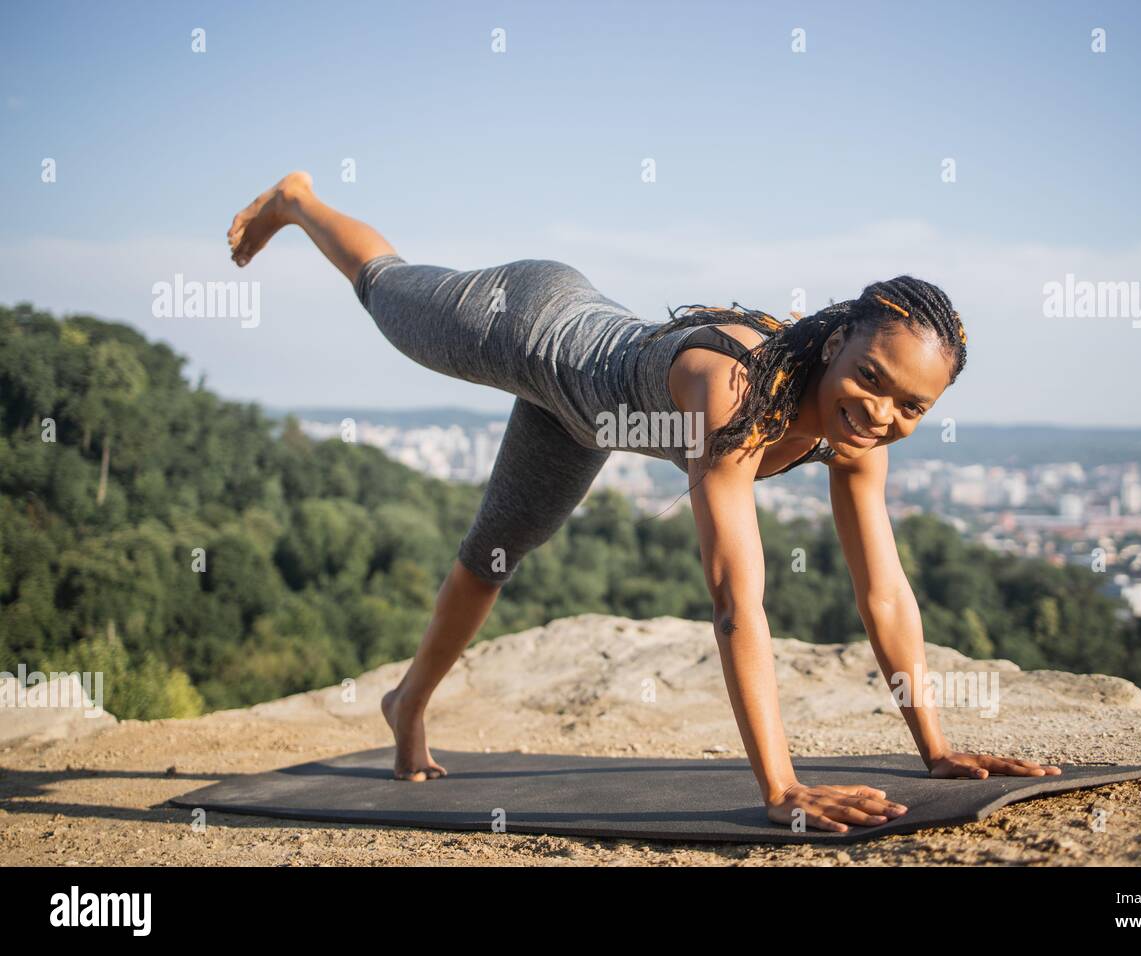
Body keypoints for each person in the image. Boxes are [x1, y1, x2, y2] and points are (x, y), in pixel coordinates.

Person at [228, 171, 1061, 834]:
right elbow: (738, 602)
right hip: (531, 325)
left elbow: (883, 591)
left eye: (911, 407)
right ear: (839, 337)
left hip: (585, 423)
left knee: (492, 555)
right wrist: (782, 788)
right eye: (871, 379)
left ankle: (405, 705)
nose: (880, 412)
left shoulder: (857, 437)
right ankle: (299, 200)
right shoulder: (735, 391)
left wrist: (937, 750)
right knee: (386, 289)